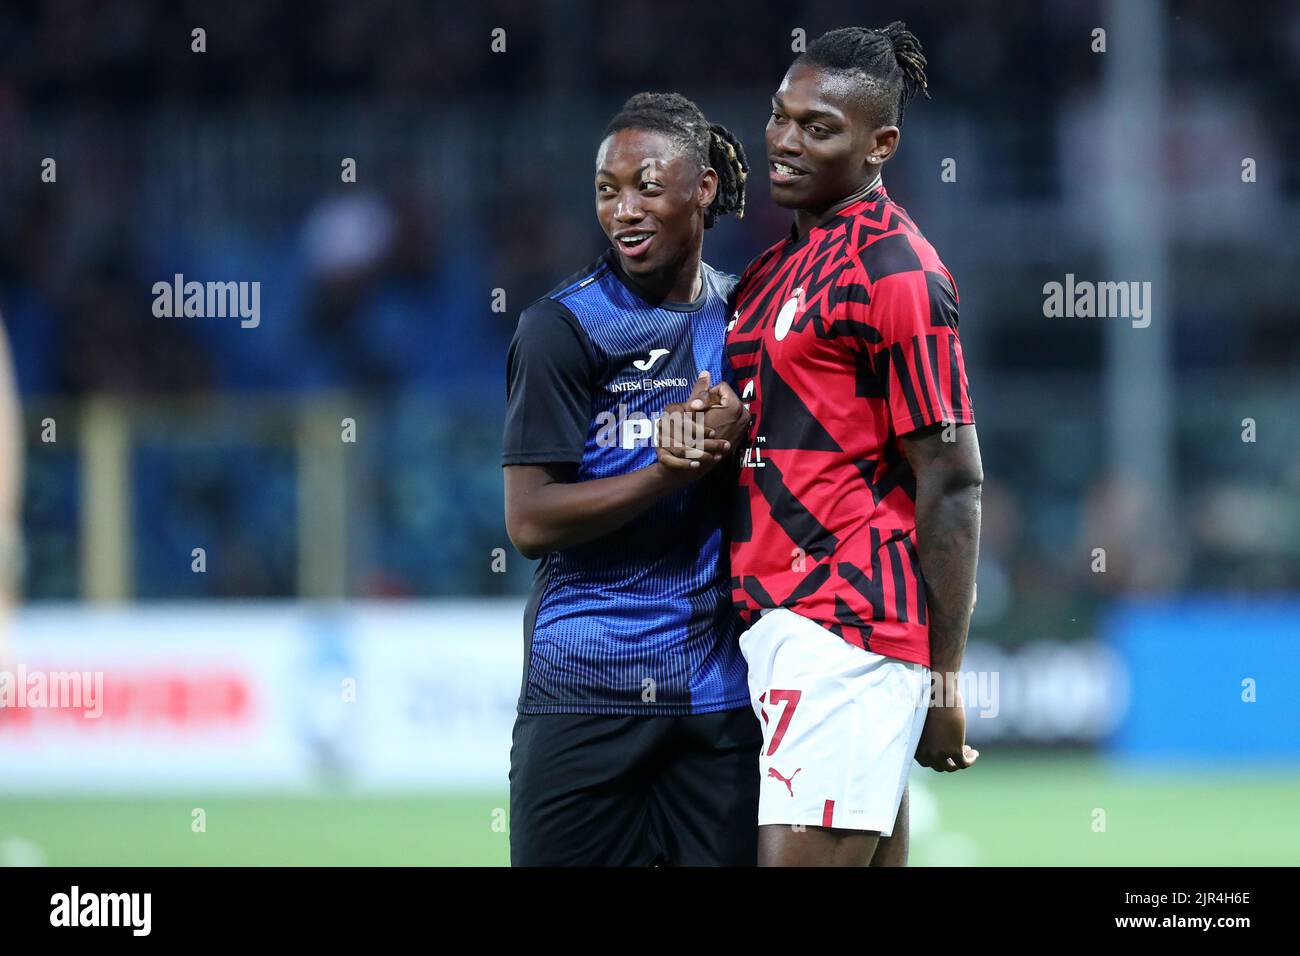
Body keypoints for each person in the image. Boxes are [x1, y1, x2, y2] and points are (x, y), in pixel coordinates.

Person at [665, 23, 983, 867]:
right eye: (780, 116)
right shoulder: (775, 269)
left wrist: (944, 682)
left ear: (882, 144)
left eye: (818, 127)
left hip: (844, 625)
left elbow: (952, 480)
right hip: (778, 622)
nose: (784, 141)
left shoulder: (896, 271)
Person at [501, 93, 758, 866]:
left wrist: (741, 430)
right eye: (607, 190)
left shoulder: (749, 314)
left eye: (647, 185)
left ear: (704, 188)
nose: (624, 210)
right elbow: (529, 522)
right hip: (583, 693)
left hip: (719, 698)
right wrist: (665, 472)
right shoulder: (563, 327)